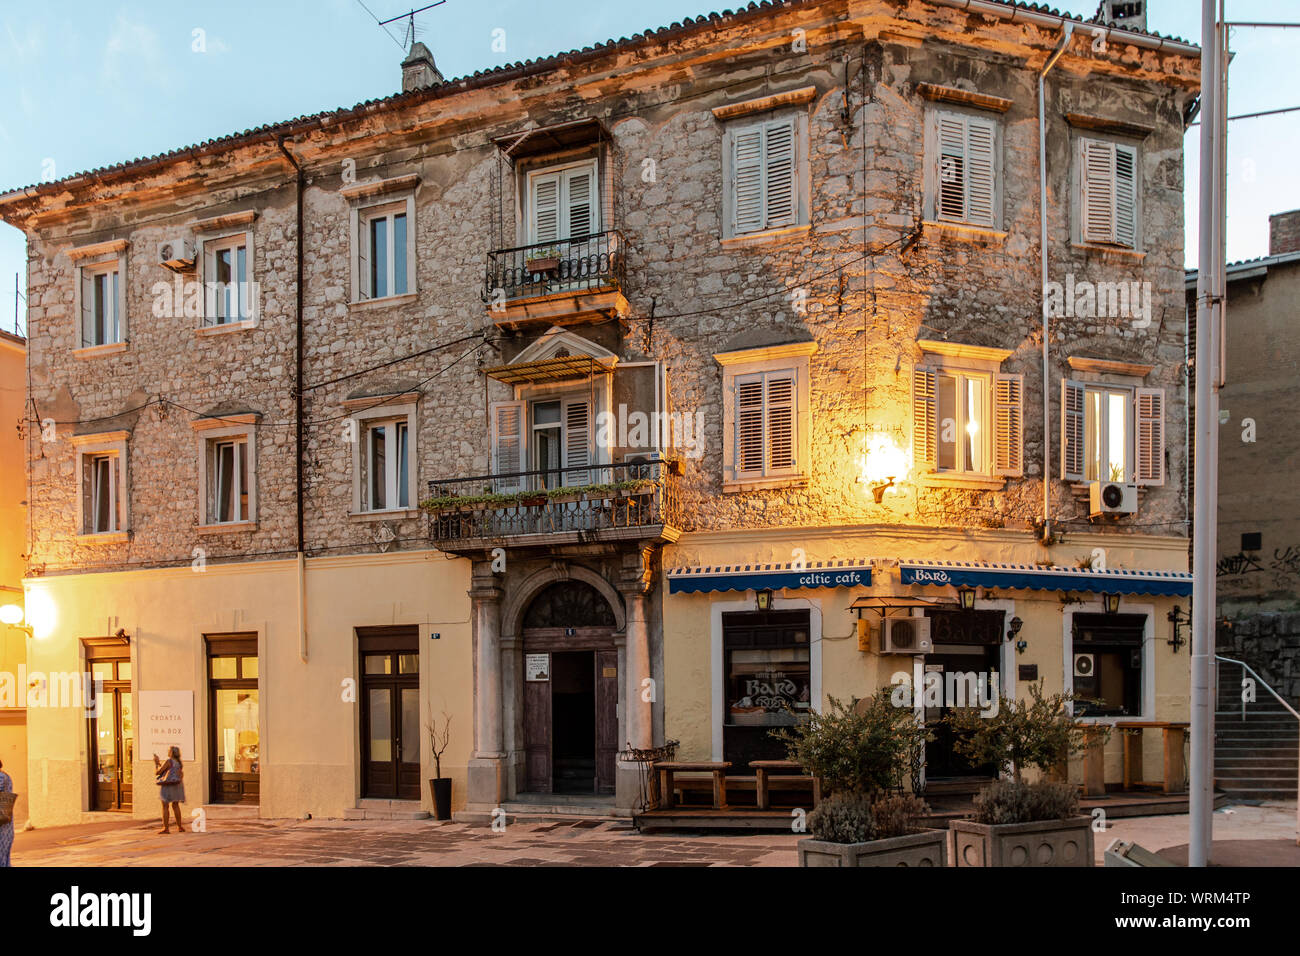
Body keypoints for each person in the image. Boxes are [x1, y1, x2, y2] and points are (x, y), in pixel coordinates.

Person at [153, 747, 186, 834]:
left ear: (171, 752)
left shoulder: (169, 761)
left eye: (168, 750)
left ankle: (166, 828)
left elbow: (158, 772)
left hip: (168, 785)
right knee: (175, 806)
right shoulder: (179, 762)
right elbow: (172, 772)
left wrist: (156, 764)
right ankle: (180, 826)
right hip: (177, 785)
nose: (167, 751)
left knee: (165, 806)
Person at [0, 757, 14, 866]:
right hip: (6, 824)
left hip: (2, 825)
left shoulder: (1, 777)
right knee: (4, 858)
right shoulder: (5, 775)